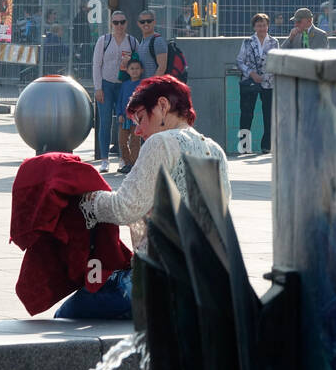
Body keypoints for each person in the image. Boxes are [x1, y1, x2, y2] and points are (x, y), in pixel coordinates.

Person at [78, 75, 229, 266]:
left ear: (163, 106)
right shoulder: (216, 150)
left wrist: (87, 199)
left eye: (140, 118)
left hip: (167, 275)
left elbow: (124, 208)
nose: (138, 131)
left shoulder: (161, 142)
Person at [92, 10, 140, 173]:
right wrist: (98, 87)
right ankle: (104, 159)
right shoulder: (104, 41)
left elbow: (137, 64)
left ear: (126, 23)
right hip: (106, 84)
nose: (119, 25)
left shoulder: (132, 42)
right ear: (111, 24)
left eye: (122, 22)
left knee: (124, 122)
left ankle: (123, 158)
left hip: (124, 85)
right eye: (116, 22)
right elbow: (96, 65)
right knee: (105, 122)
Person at [236, 13, 277, 154]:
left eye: (264, 25)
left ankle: (266, 146)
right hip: (250, 82)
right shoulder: (247, 41)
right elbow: (240, 61)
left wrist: (265, 76)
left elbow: (275, 62)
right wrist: (251, 73)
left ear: (268, 26)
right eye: (259, 25)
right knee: (247, 114)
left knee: (268, 114)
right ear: (254, 27)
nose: (262, 28)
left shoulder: (274, 42)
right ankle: (244, 147)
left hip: (268, 83)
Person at [115, 57, 145, 173]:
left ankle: (133, 164)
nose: (134, 71)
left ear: (141, 70)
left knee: (135, 142)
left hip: (135, 119)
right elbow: (119, 101)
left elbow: (142, 101)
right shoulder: (124, 85)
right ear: (127, 70)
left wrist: (136, 114)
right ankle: (127, 163)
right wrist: (119, 114)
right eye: (132, 68)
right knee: (122, 141)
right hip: (123, 118)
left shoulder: (142, 84)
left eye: (137, 68)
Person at [136, 9, 165, 77]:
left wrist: (151, 85)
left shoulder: (158, 41)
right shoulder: (142, 42)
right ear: (138, 24)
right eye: (142, 22)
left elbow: (162, 68)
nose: (146, 24)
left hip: (154, 85)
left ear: (154, 22)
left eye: (149, 21)